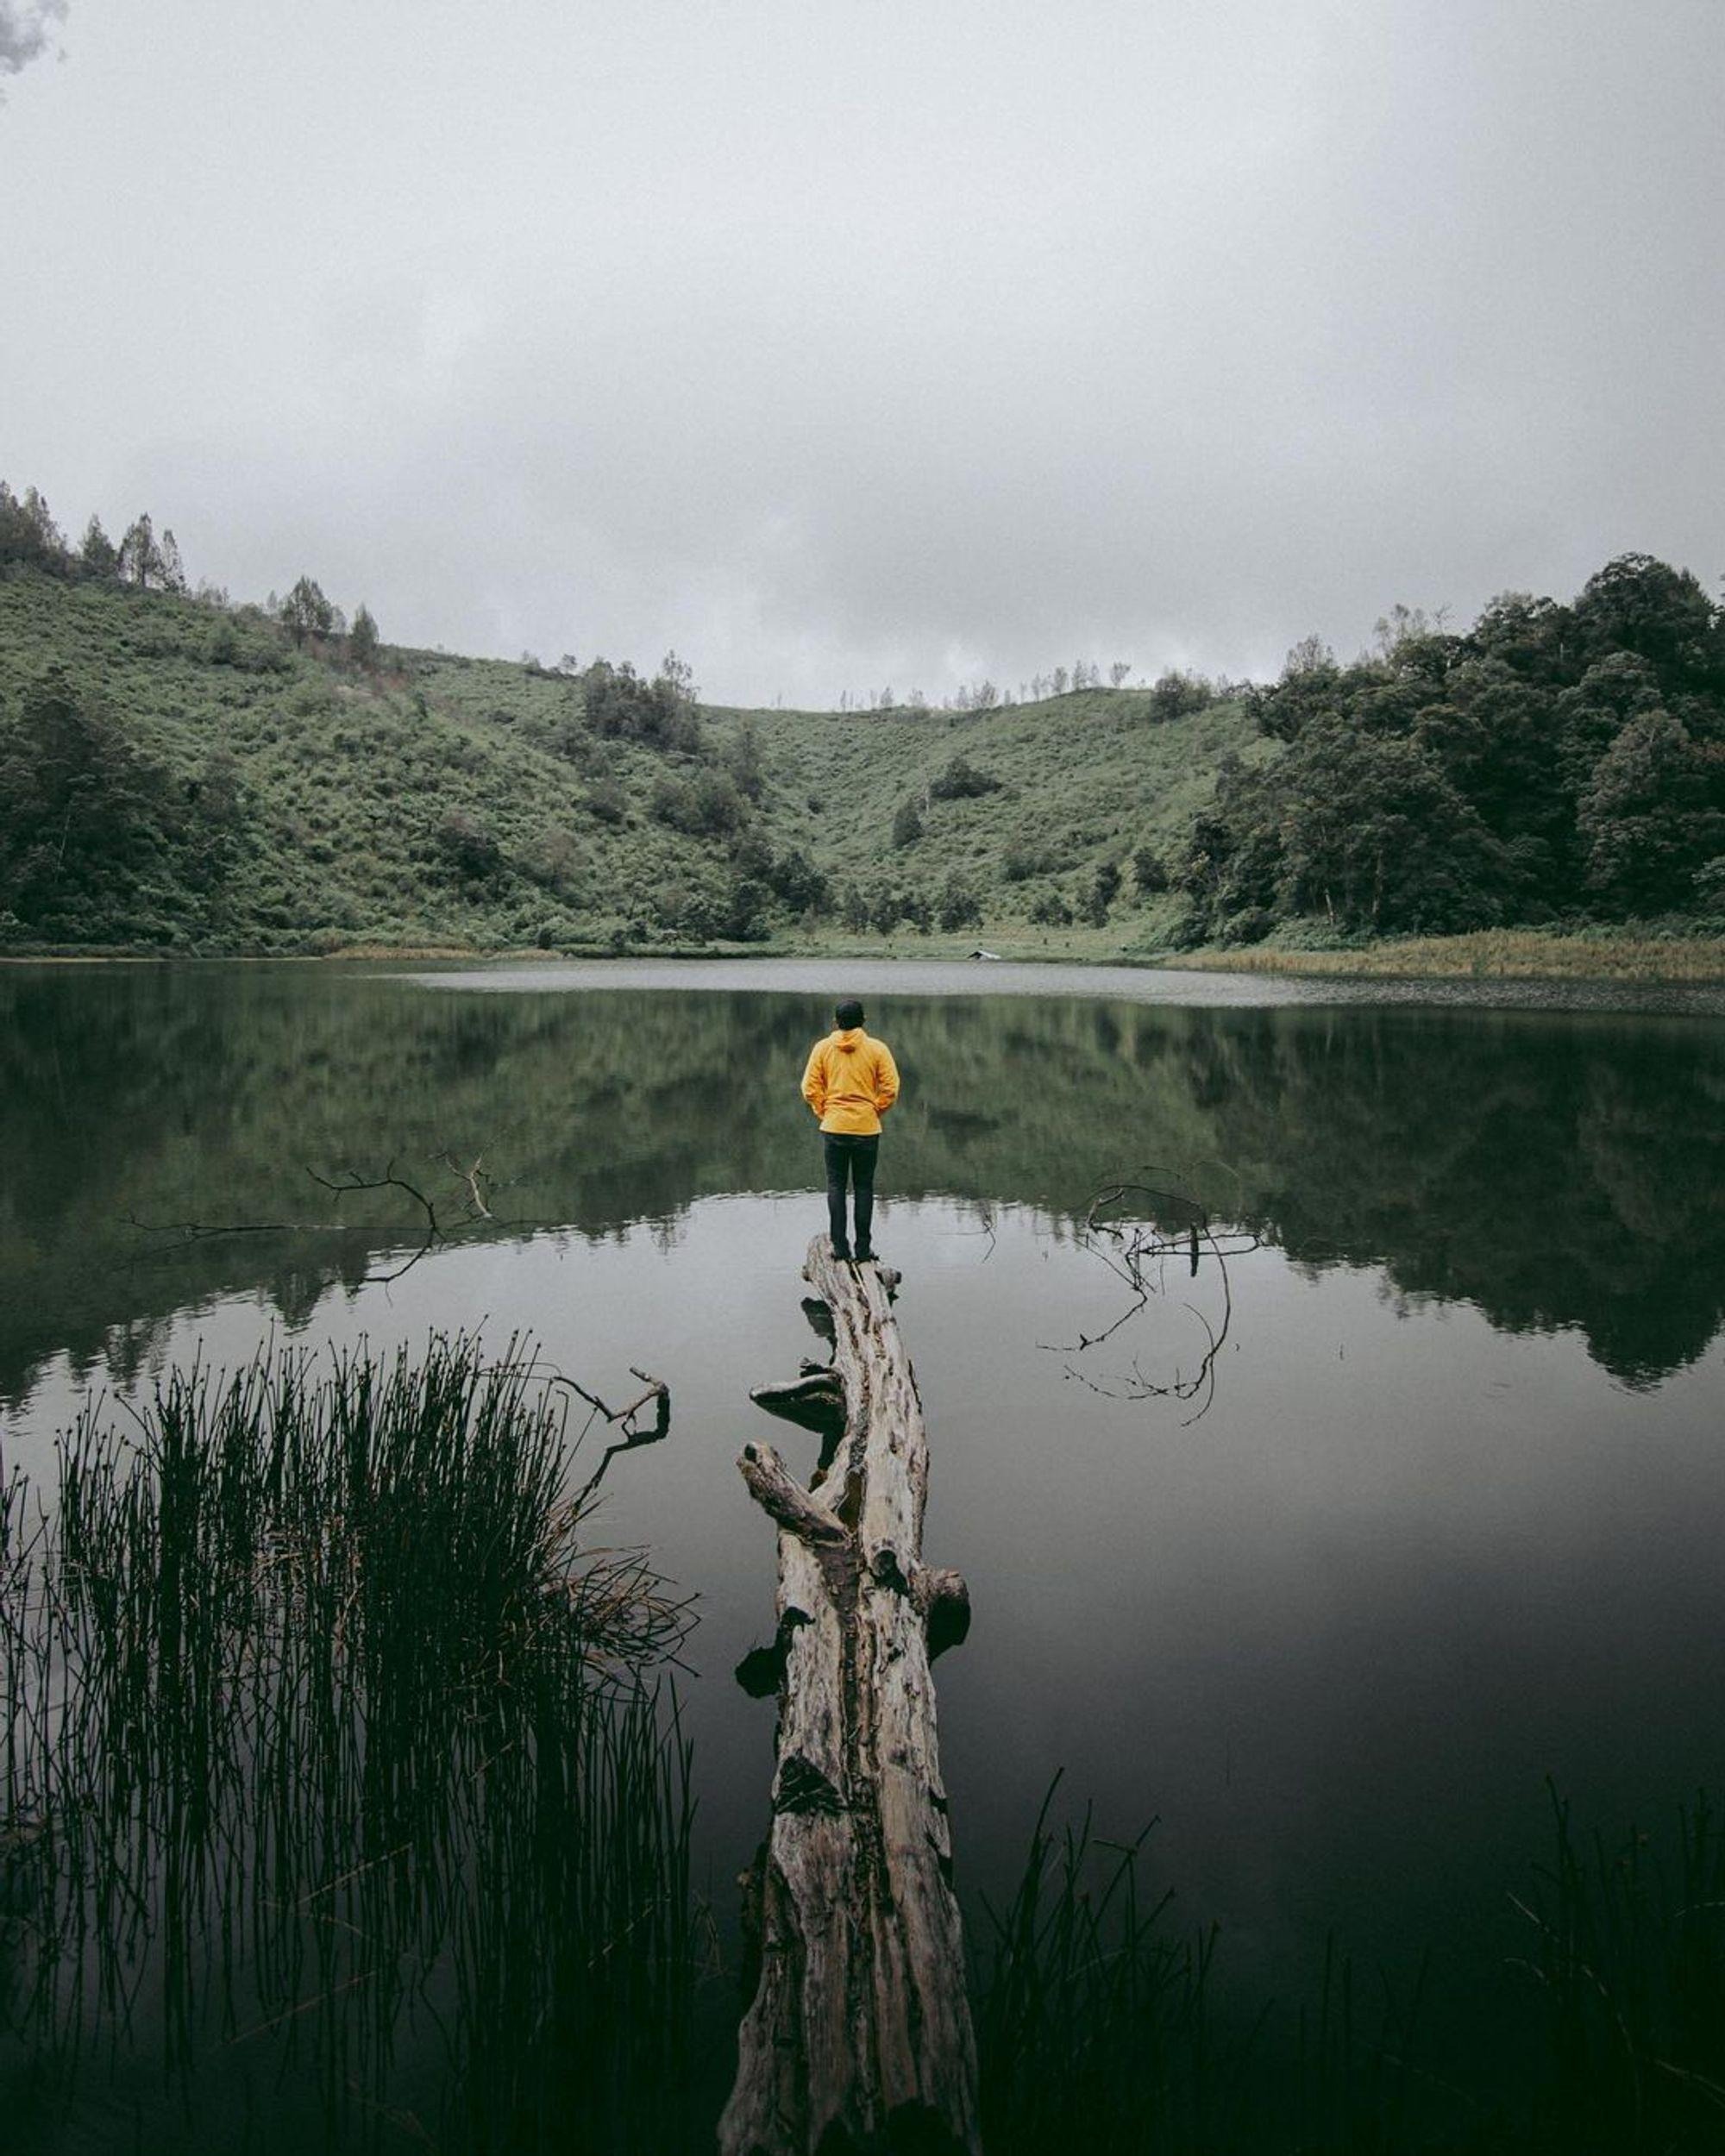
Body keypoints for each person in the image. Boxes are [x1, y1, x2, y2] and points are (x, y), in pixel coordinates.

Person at [800, 999, 900, 1263]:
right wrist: (873, 1110)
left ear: (836, 1022)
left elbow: (810, 1088)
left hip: (834, 1127)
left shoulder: (822, 1048)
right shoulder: (877, 1049)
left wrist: (825, 1112)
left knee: (836, 1186)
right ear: (864, 1020)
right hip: (866, 1130)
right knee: (864, 1188)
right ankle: (863, 1251)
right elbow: (891, 1089)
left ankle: (840, 1249)